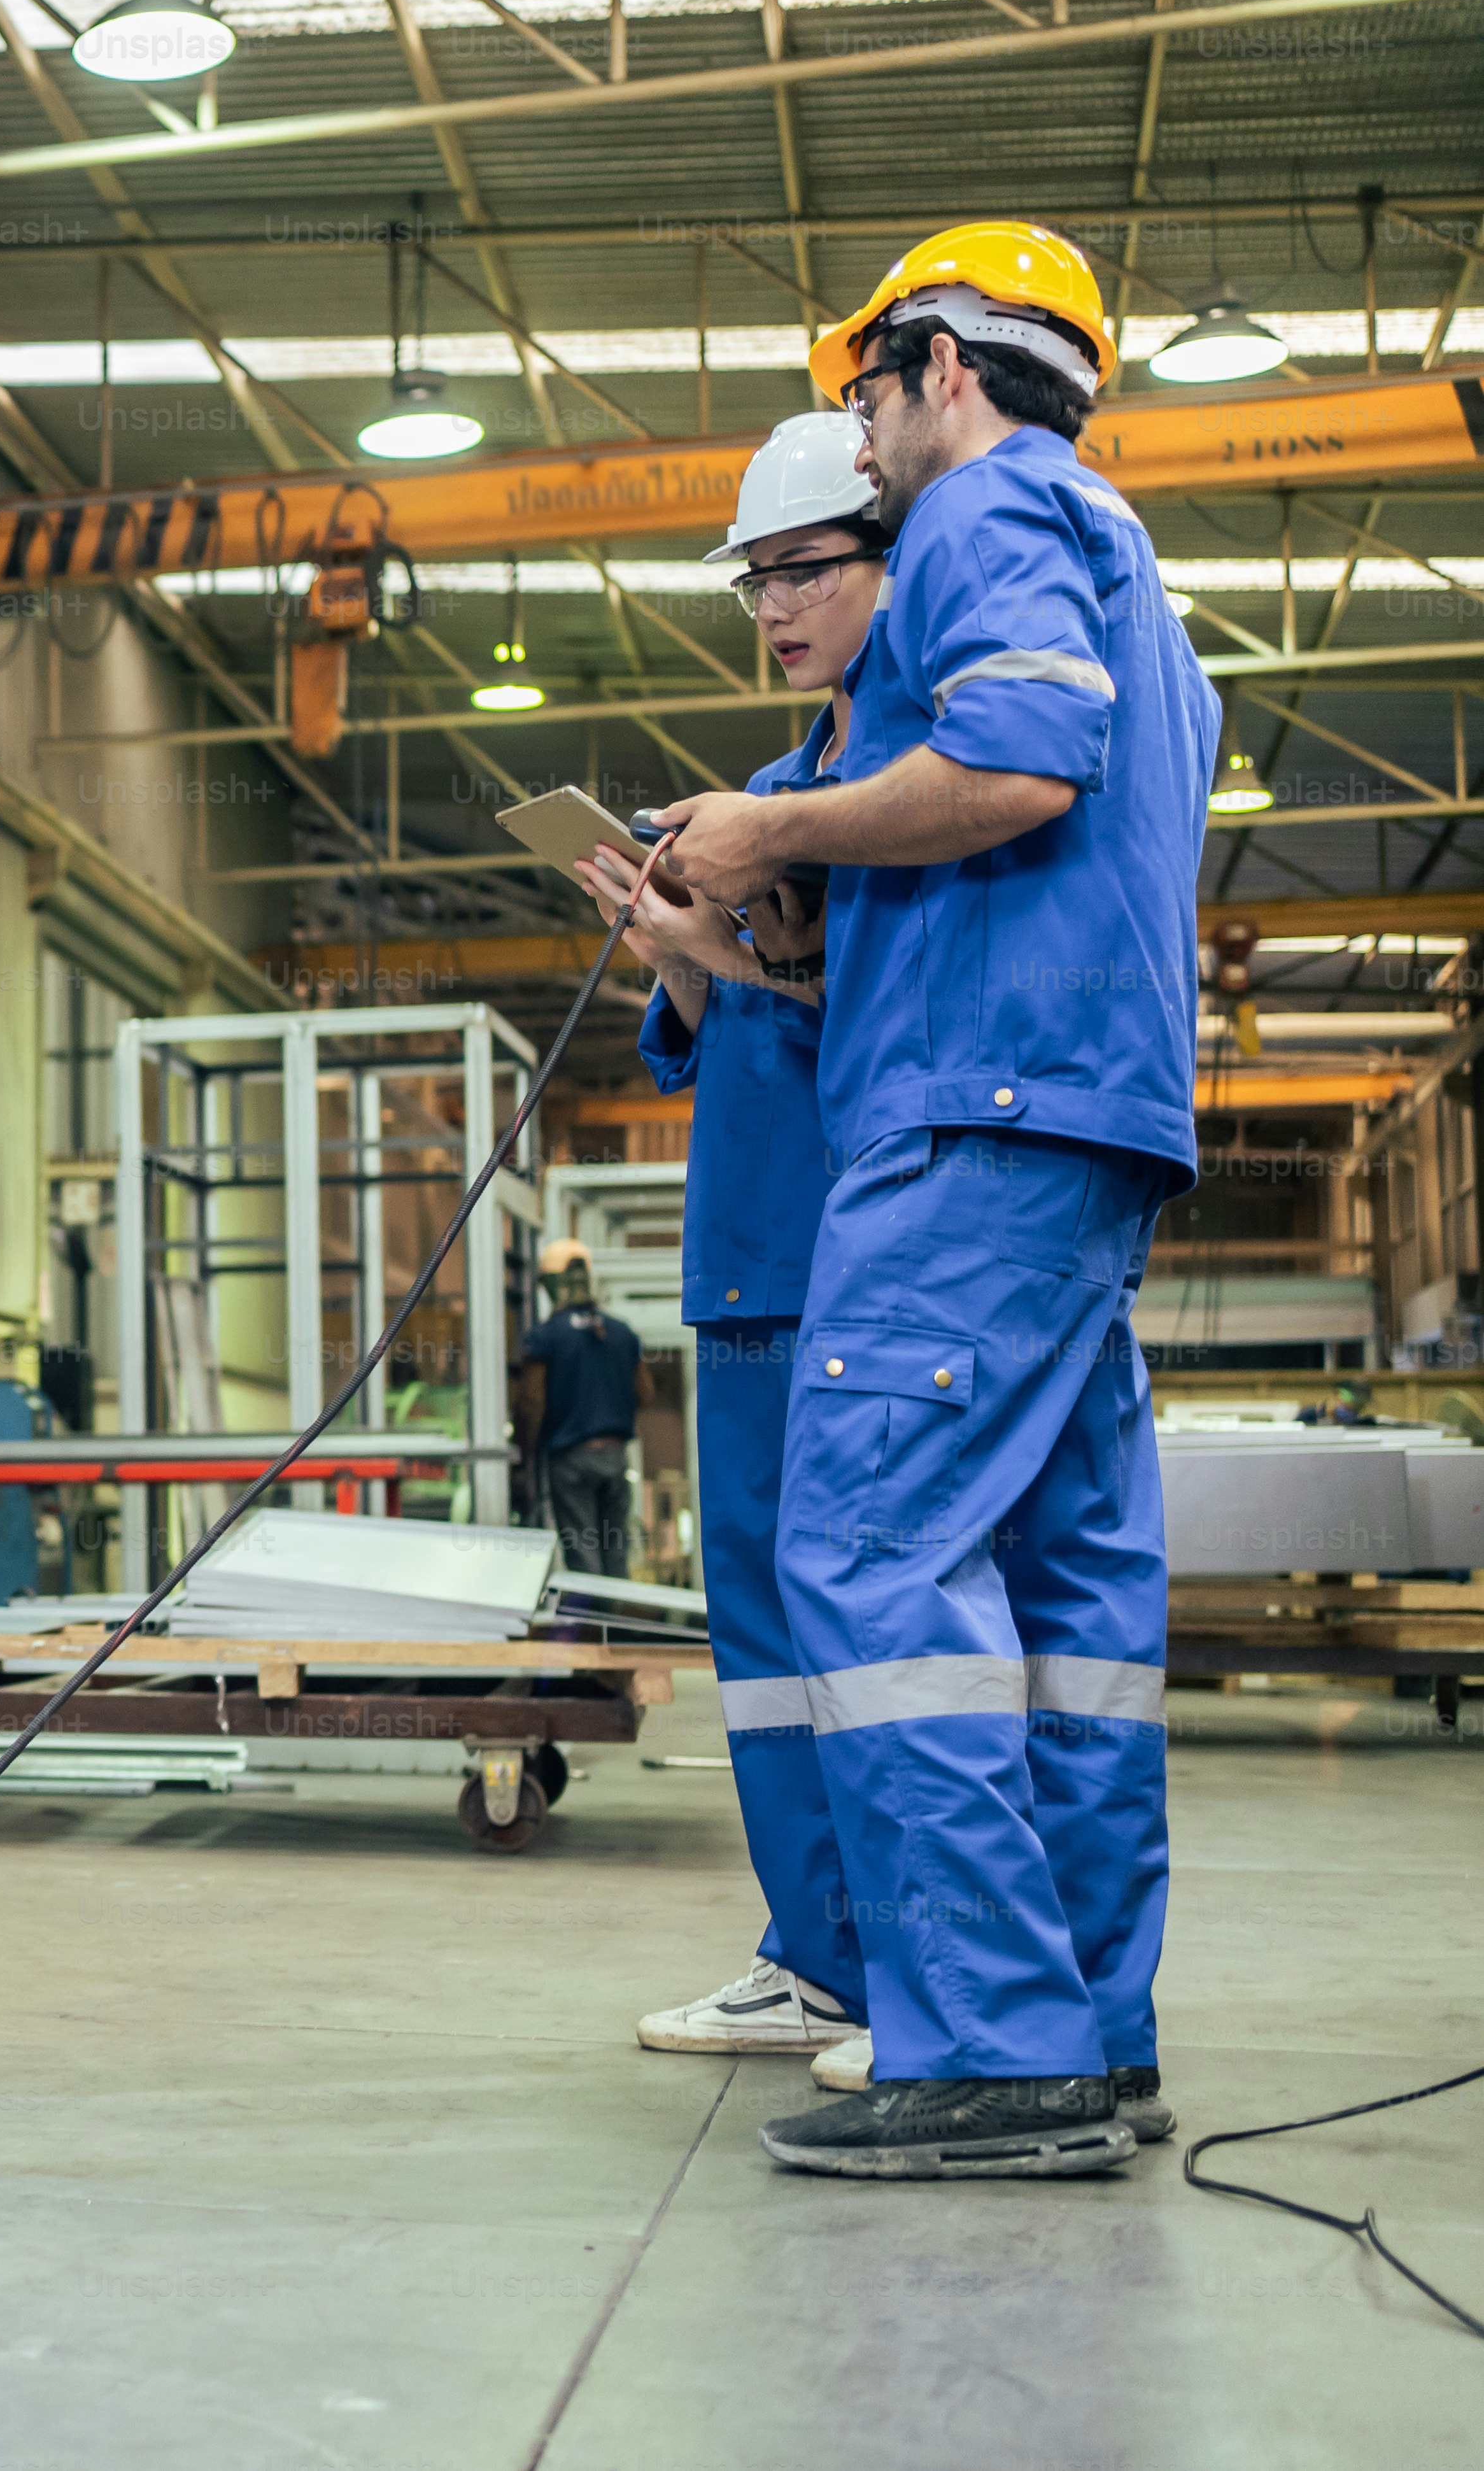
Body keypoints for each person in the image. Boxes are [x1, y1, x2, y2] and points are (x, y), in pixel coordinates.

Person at [646, 223, 1214, 2179]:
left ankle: (982, 2037)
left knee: (871, 1554)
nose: (857, 440)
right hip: (1085, 1124)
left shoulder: (983, 513)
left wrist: (772, 824)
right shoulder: (1142, 594)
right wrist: (761, 923)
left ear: (941, 375)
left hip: (971, 1128)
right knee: (1067, 1602)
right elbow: (1051, 831)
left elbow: (1019, 769)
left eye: (864, 400)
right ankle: (1090, 2022)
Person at [568, 411, 888, 2063]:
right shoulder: (764, 796)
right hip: (746, 1249)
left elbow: (892, 1016)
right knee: (756, 1634)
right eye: (749, 576)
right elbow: (704, 1033)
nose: (767, 604)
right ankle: (808, 1943)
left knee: (861, 1622)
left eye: (797, 568)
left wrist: (756, 946)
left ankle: (895, 1954)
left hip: (859, 1246)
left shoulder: (892, 799)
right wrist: (673, 944)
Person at [514, 1238, 647, 1575]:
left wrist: (526, 1461)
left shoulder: (547, 1336)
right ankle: (618, 1628)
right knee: (616, 1554)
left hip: (570, 1460)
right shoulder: (620, 1333)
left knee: (584, 1557)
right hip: (615, 1456)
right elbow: (646, 1393)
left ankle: (592, 1626)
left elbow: (532, 1402)